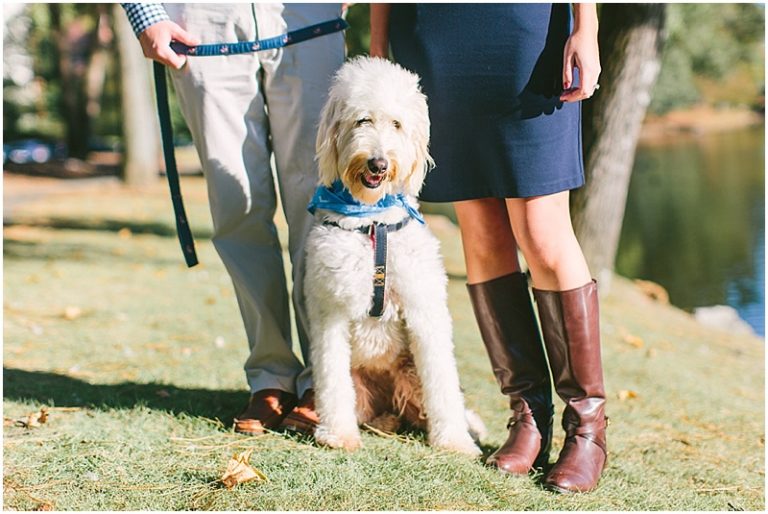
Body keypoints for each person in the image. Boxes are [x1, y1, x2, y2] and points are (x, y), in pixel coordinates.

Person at [370, 4, 606, 493]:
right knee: (480, 232)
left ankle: (587, 428)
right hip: (433, 40)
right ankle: (528, 416)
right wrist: (379, 49)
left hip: (526, 33)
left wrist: (587, 25)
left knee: (542, 233)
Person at [121, 3, 346, 436]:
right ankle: (271, 376)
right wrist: (145, 13)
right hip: (203, 27)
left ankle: (327, 376)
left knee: (322, 206)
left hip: (306, 19)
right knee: (236, 206)